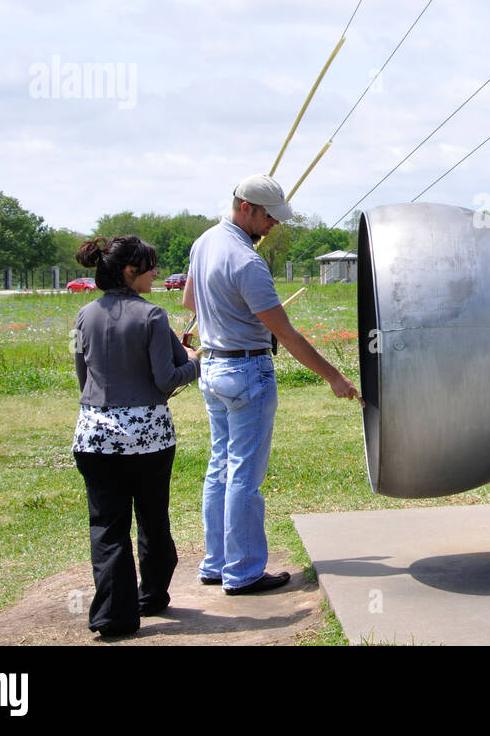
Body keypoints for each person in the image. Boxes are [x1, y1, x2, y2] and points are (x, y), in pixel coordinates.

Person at [183, 175, 358, 595]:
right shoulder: (247, 261)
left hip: (214, 370)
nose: (273, 225)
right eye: (268, 216)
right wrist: (334, 377)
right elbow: (289, 336)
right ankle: (242, 572)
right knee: (244, 475)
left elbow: (189, 301)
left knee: (219, 469)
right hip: (247, 372)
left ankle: (216, 563)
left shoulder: (204, 242)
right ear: (245, 207)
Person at [71, 235, 201, 637]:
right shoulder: (153, 316)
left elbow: (83, 375)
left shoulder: (83, 315)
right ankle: (153, 593)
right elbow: (165, 380)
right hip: (147, 438)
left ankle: (113, 615)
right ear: (130, 271)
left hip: (94, 436)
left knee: (107, 526)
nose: (156, 273)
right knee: (151, 517)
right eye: (149, 267)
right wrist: (195, 362)